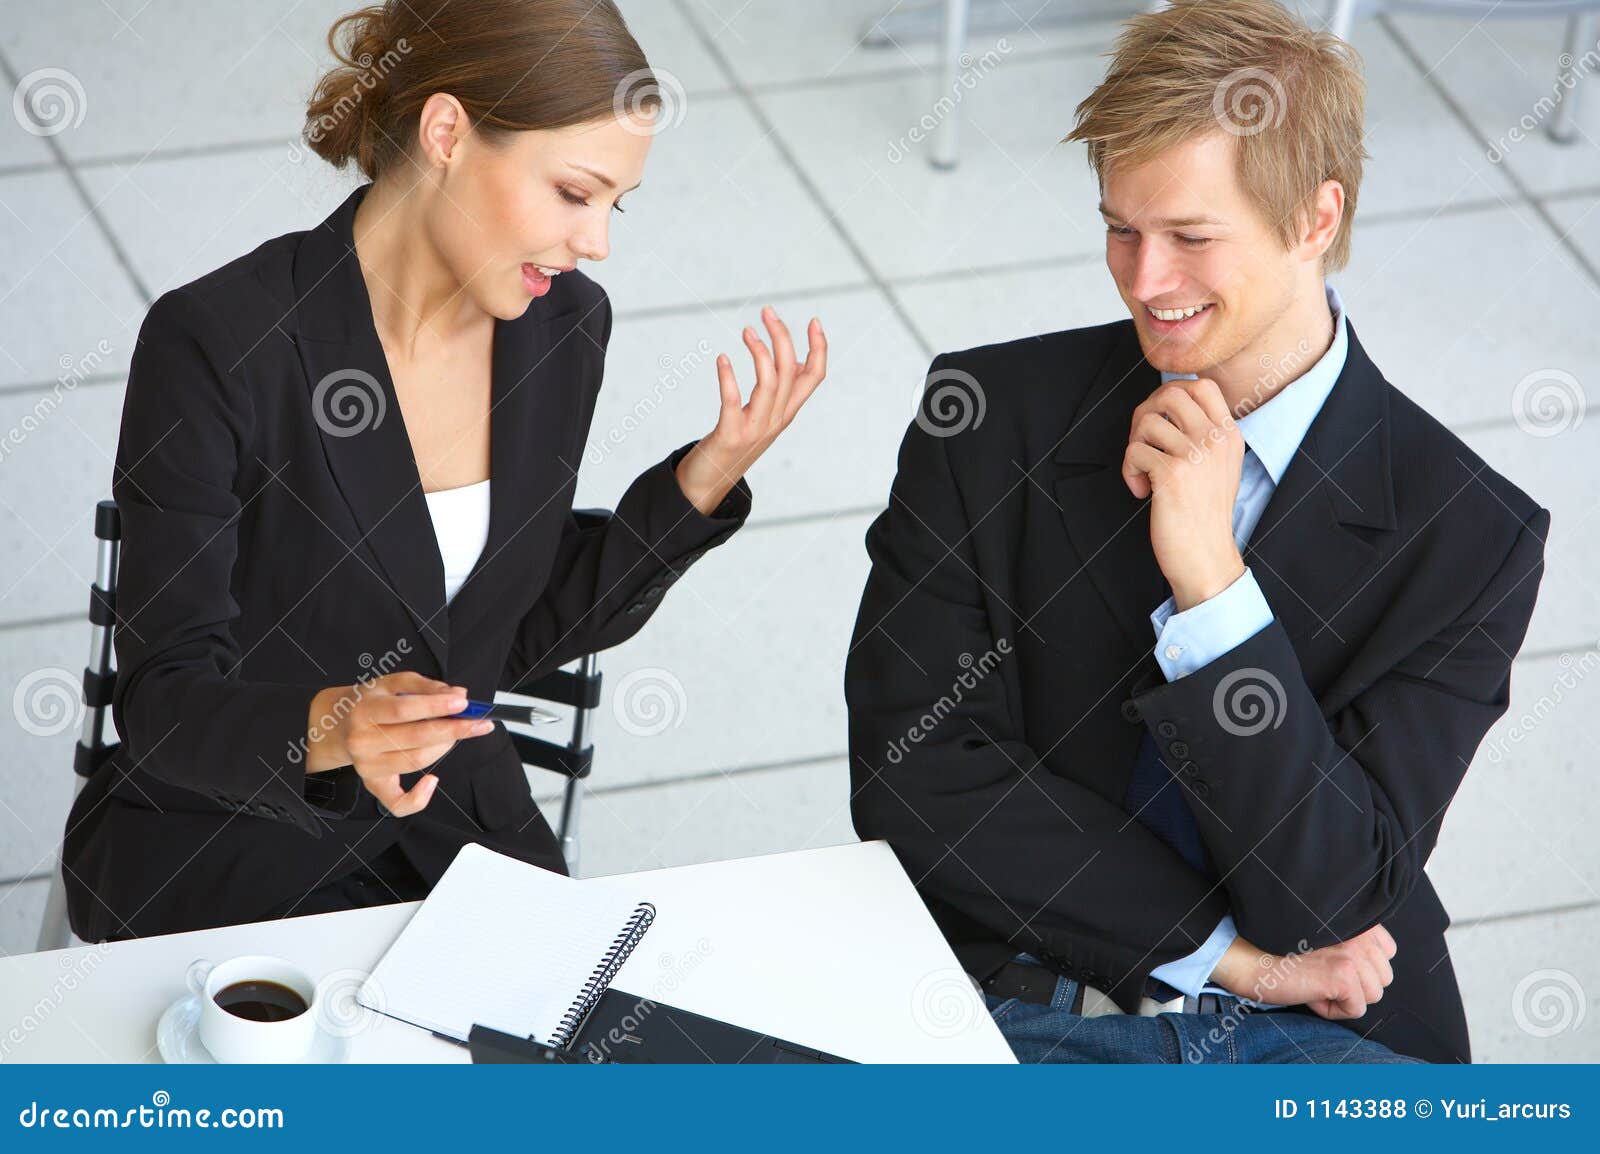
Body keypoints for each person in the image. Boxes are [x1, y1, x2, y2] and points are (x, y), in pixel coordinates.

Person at [845, 0, 1547, 1064]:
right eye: (1119, 228)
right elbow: (912, 769)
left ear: (1316, 220)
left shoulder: (1469, 534)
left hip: (1327, 1018)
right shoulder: (987, 414)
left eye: (1189, 236)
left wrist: (1214, 588)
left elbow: (1329, 887)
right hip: (1019, 972)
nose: (1143, 280)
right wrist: (1225, 954)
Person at [63, 0, 826, 942]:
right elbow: (161, 705)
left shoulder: (560, 331)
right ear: (448, 133)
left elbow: (497, 644)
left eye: (615, 205)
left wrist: (698, 487)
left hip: (459, 831)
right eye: (575, 194)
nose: (598, 243)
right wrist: (337, 726)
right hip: (230, 846)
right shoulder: (222, 344)